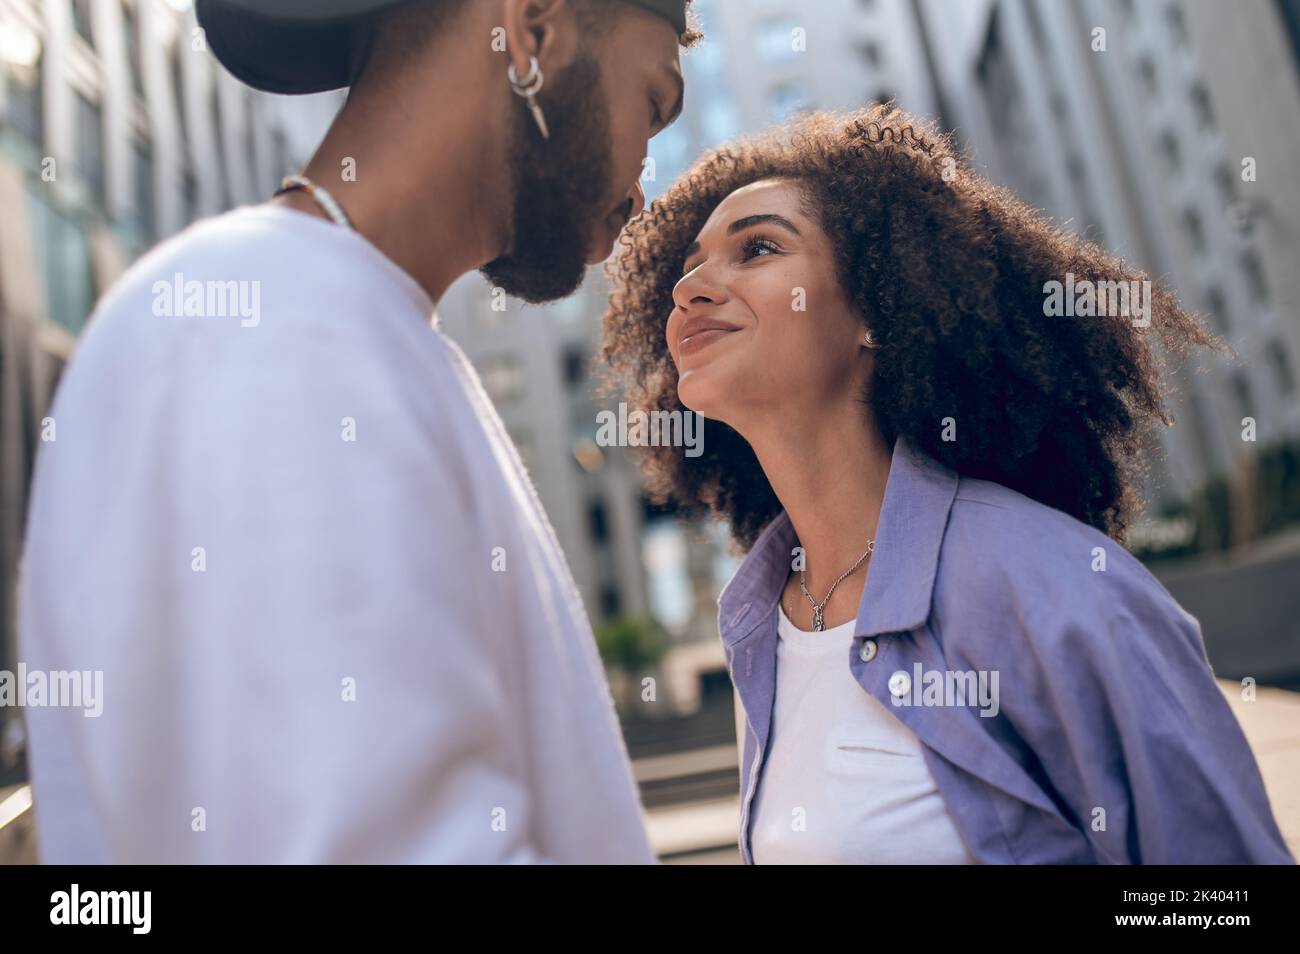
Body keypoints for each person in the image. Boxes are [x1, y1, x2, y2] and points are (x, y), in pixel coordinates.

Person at [19, 0, 698, 863]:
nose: (643, 189)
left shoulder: (357, 327)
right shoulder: (270, 317)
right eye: (653, 102)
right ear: (532, 29)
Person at [600, 106, 1296, 864]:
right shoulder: (759, 624)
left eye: (758, 248)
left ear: (878, 312)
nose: (692, 287)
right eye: (689, 266)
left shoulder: (1057, 590)